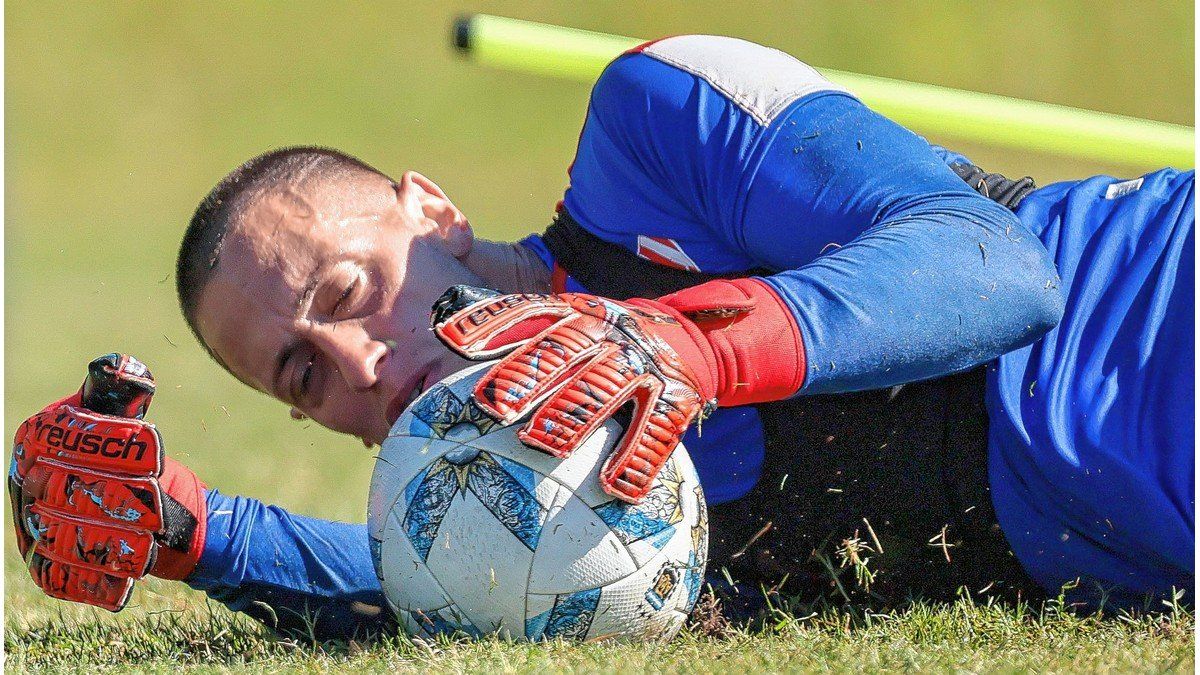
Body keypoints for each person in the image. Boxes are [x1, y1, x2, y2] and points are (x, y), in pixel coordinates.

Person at [10, 35, 1192, 639]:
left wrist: (682, 348)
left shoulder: (654, 121)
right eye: (304, 372)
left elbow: (997, 269)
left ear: (432, 211)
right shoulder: (533, 493)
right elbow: (450, 599)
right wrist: (193, 532)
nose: (364, 361)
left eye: (351, 285)